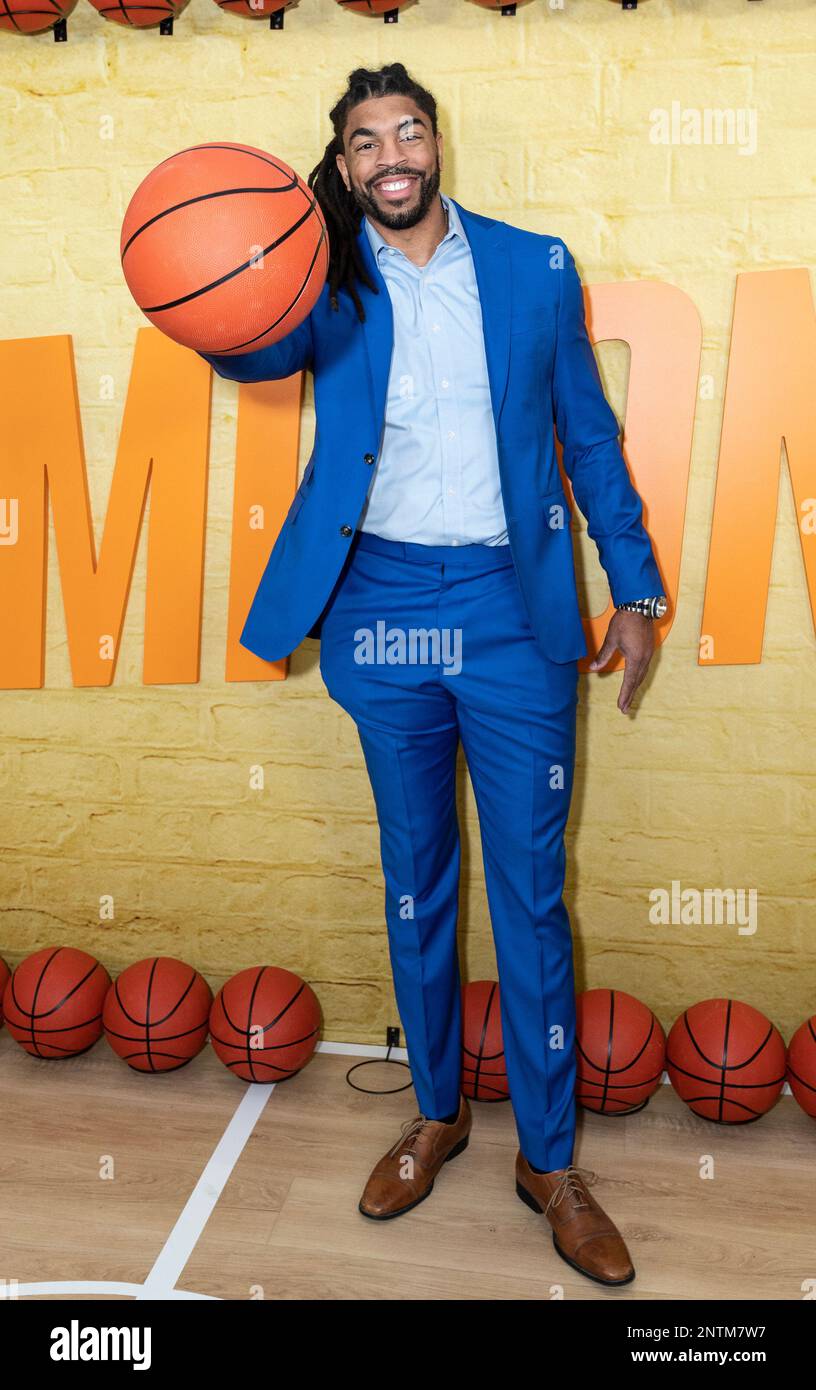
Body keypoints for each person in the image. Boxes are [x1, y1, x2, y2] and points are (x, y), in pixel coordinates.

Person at [199, 62, 666, 1288]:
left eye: (408, 131)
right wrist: (263, 241)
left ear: (438, 143)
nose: (391, 153)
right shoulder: (321, 276)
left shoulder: (533, 266)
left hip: (512, 613)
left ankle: (550, 1162)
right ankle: (440, 1114)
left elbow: (589, 434)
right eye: (364, 141)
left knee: (529, 890)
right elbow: (242, 356)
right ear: (344, 164)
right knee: (417, 881)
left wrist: (638, 586)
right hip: (383, 603)